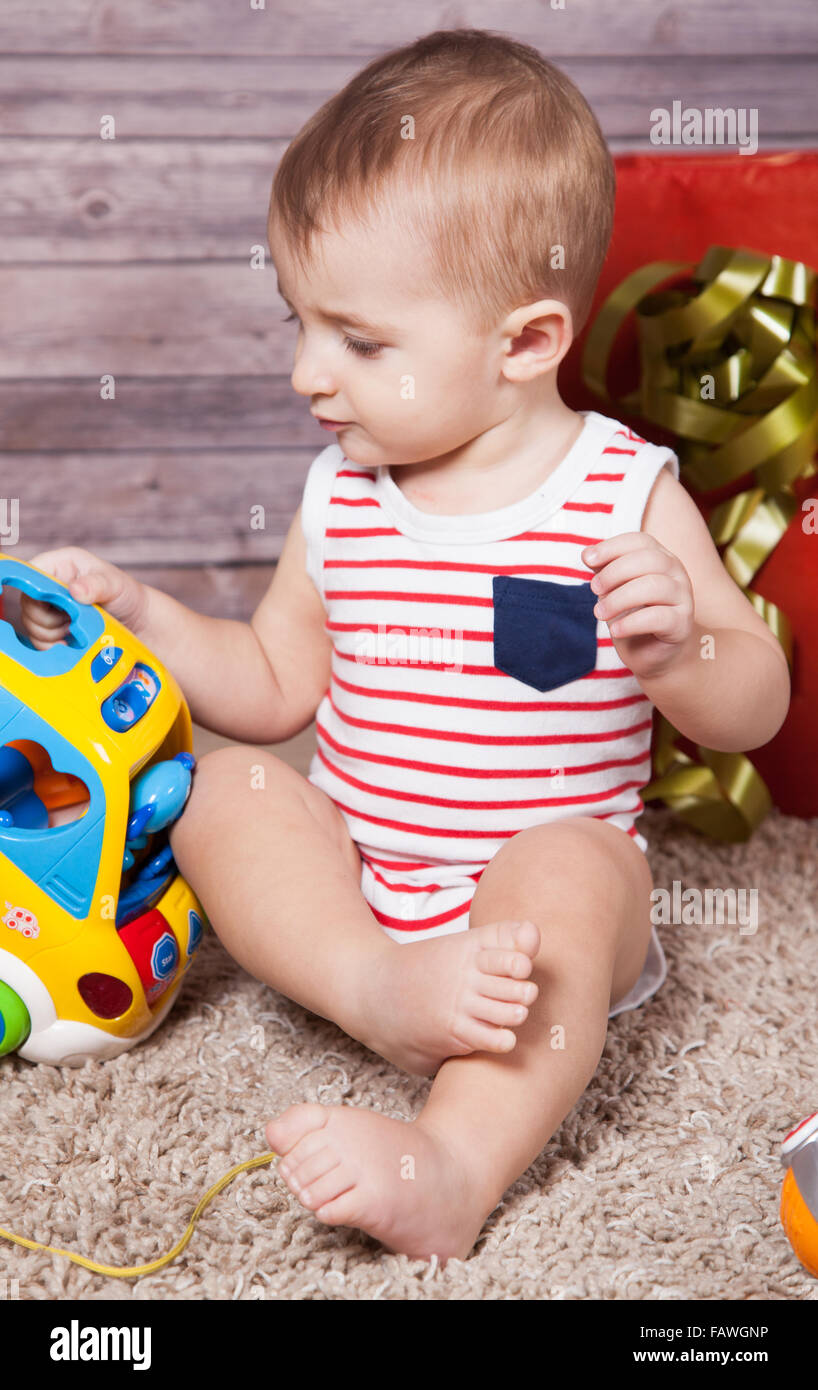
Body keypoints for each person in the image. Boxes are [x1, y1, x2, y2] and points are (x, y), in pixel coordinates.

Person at [22, 29, 790, 1264]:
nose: (304, 375)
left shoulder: (616, 492)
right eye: (299, 324)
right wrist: (145, 617)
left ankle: (454, 1159)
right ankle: (370, 985)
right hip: (369, 880)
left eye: (358, 342)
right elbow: (272, 684)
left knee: (577, 869)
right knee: (224, 785)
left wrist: (682, 646)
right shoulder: (341, 495)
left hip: (535, 902)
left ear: (526, 343)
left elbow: (751, 706)